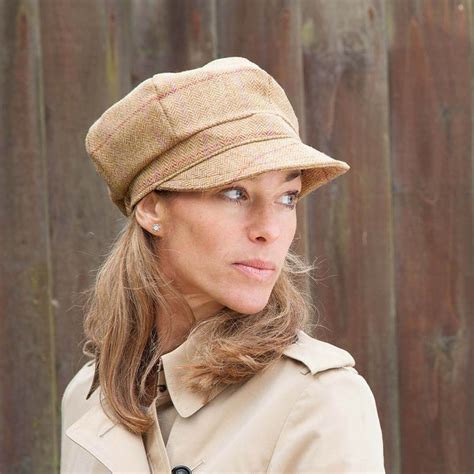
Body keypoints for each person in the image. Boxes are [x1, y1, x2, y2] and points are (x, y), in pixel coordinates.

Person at [60, 57, 385, 473]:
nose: (269, 229)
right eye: (235, 193)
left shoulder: (318, 400)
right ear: (152, 208)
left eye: (287, 198)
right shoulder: (87, 398)